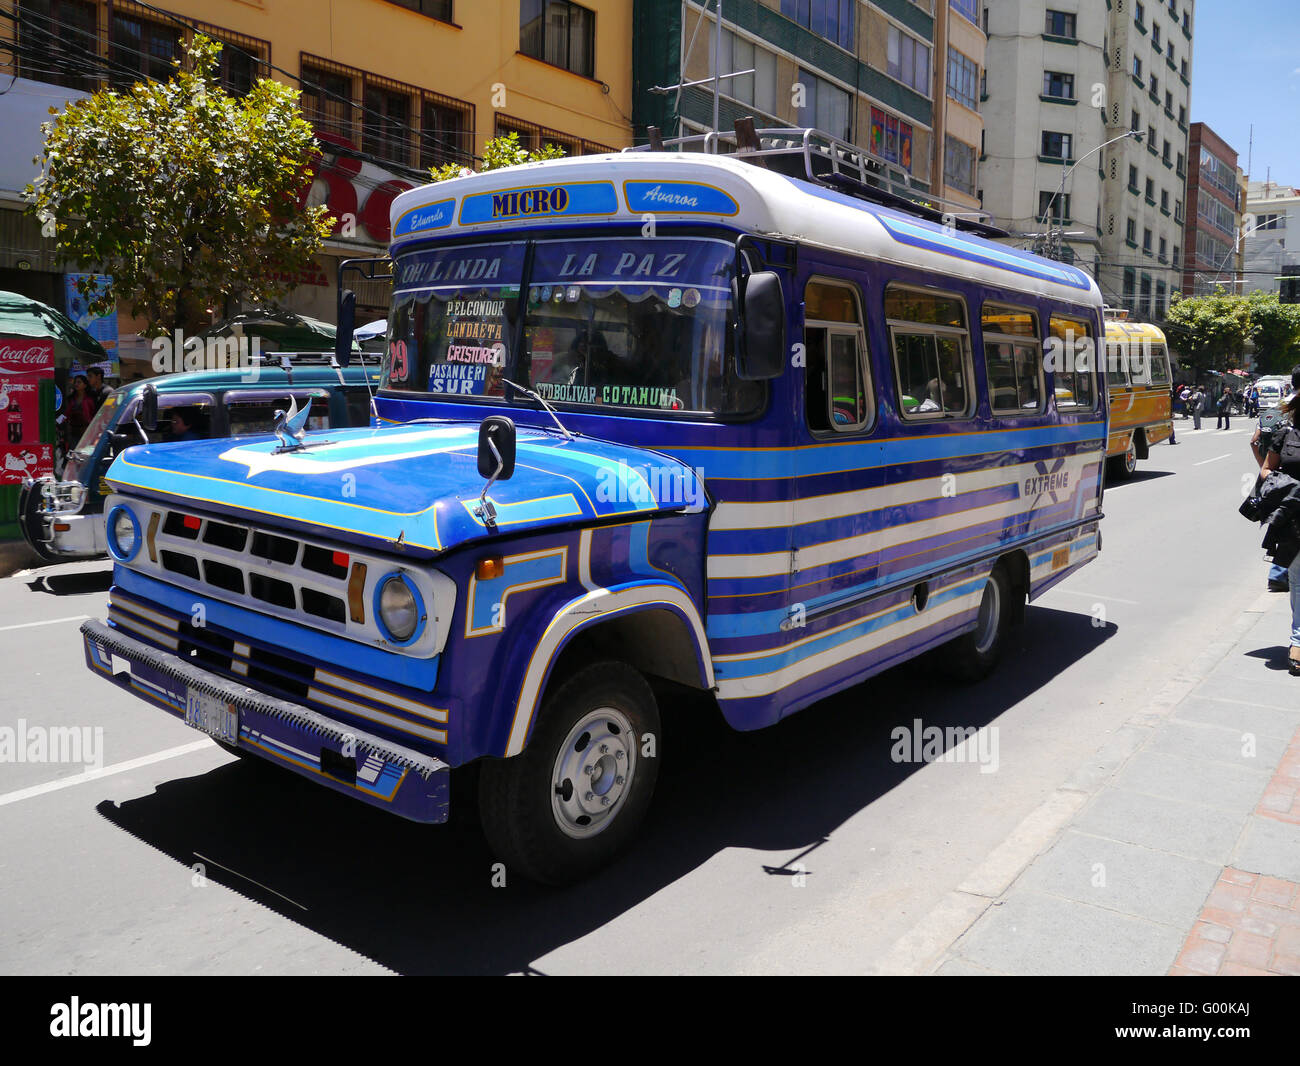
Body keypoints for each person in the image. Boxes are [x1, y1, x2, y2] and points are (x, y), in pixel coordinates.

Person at [1259, 365, 1300, 673]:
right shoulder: (1284, 432)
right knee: (1298, 581)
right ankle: (1297, 641)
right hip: (1295, 520)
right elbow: (1267, 472)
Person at [62, 375, 95, 447]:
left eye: (79, 382)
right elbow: (66, 414)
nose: (76, 384)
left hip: (88, 432)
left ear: (85, 385)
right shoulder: (72, 399)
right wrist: (57, 421)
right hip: (74, 432)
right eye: (75, 382)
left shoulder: (91, 398)